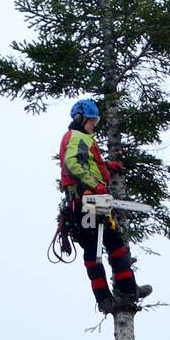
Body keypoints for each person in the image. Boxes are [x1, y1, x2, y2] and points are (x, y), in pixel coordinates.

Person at [59, 99, 152, 314]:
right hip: (85, 203)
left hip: (91, 203)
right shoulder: (77, 136)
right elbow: (72, 164)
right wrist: (94, 184)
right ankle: (106, 299)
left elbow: (85, 161)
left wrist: (105, 167)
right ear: (80, 119)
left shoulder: (82, 137)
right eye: (92, 121)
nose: (94, 125)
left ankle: (127, 291)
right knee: (96, 250)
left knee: (114, 245)